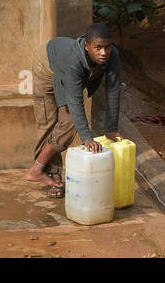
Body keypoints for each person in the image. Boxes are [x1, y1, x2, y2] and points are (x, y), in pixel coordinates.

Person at [25, 23, 123, 198]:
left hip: (64, 67)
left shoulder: (112, 56)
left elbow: (113, 89)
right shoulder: (73, 61)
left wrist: (111, 127)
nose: (103, 53)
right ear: (86, 46)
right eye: (98, 48)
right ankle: (41, 171)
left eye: (107, 47)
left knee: (68, 123)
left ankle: (46, 171)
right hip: (47, 67)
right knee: (50, 120)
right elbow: (75, 101)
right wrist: (86, 138)